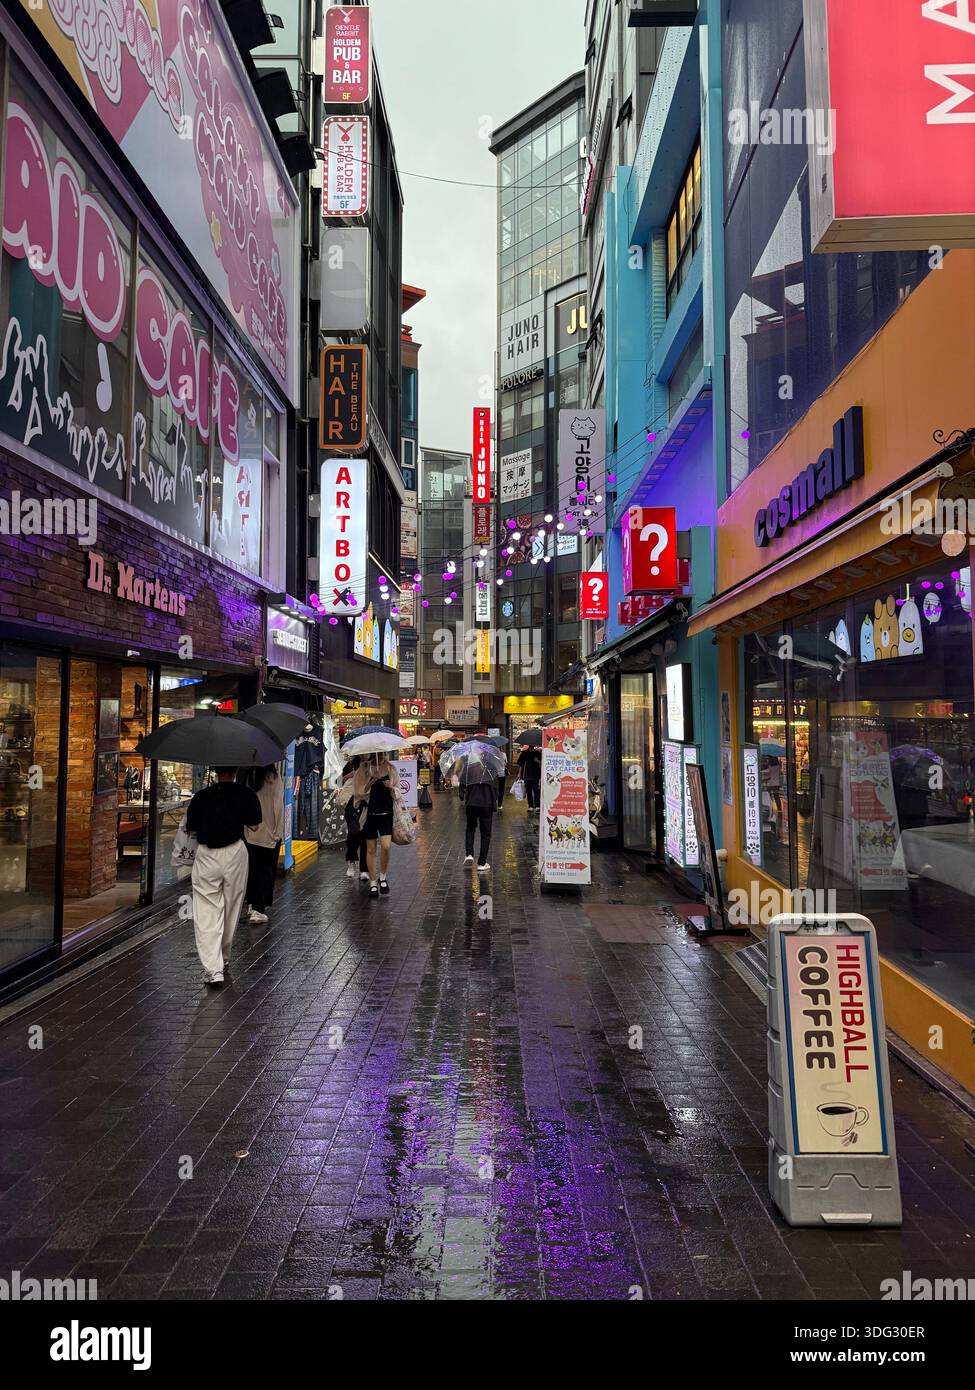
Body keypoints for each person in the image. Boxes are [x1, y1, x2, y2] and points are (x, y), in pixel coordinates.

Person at [186, 768, 262, 986]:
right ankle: (224, 957)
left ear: (215, 770)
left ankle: (213, 968)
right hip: (235, 852)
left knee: (207, 909)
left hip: (206, 855)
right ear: (237, 770)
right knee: (232, 907)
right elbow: (255, 826)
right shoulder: (246, 793)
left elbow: (191, 830)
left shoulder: (201, 797)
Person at [242, 765, 284, 924]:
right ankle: (258, 910)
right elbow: (277, 807)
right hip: (269, 833)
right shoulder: (273, 778)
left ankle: (252, 905)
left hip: (251, 832)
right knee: (265, 872)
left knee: (253, 871)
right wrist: (277, 833)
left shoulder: (249, 776)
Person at [362, 754, 401, 897]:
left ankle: (382, 877)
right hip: (370, 814)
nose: (380, 755)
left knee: (386, 846)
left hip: (386, 814)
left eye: (382, 752)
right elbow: (360, 791)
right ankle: (373, 882)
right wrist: (371, 781)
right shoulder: (366, 768)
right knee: (371, 849)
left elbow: (398, 792)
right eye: (377, 753)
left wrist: (391, 786)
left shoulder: (391, 769)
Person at [461, 765, 496, 871]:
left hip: (472, 802)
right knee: (485, 833)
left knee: (470, 828)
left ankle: (469, 854)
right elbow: (495, 787)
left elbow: (462, 785)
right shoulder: (491, 767)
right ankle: (482, 862)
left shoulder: (470, 767)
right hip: (486, 803)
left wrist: (463, 795)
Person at [342, 757, 370, 879]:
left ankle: (364, 869)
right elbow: (342, 786)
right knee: (352, 836)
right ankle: (351, 862)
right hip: (352, 807)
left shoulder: (371, 771)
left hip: (365, 807)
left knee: (365, 838)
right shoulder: (350, 772)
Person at [517, 744, 542, 812]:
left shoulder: (538, 753)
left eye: (533, 744)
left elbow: (542, 764)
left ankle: (537, 806)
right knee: (528, 790)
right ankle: (530, 805)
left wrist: (537, 761)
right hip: (527, 774)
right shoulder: (524, 753)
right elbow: (521, 764)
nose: (532, 745)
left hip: (536, 774)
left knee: (536, 789)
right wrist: (519, 774)